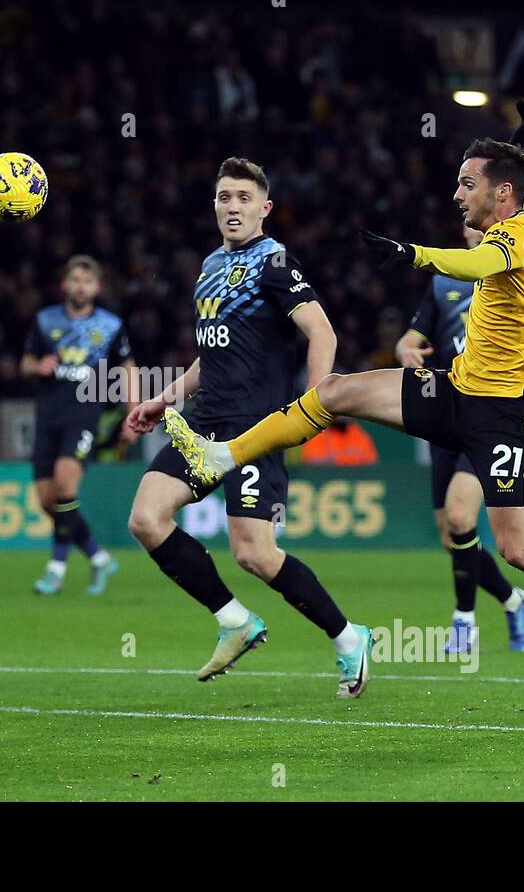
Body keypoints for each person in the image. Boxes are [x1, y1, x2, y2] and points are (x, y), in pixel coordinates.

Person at [164, 136, 524, 671]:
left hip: (505, 415)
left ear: (502, 193)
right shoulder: (518, 207)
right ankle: (225, 455)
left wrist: (412, 253)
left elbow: (477, 263)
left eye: (468, 184)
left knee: (520, 551)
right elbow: (514, 192)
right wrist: (519, 146)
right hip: (455, 389)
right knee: (333, 391)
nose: (457, 194)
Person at [126, 157, 373, 700]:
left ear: (264, 208)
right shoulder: (210, 265)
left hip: (254, 429)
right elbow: (210, 356)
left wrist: (313, 407)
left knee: (255, 554)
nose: (232, 206)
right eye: (223, 197)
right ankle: (235, 620)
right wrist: (163, 399)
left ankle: (348, 636)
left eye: (242, 198)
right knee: (146, 518)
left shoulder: (275, 262)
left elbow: (322, 333)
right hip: (203, 423)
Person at [396, 224, 524, 653]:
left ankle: (464, 622)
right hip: (445, 410)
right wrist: (408, 352)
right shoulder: (443, 282)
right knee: (451, 532)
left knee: (459, 514)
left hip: (491, 414)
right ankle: (513, 600)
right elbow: (409, 341)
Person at [21, 255, 138, 595]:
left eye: (88, 281)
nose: (81, 286)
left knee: (65, 487)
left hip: (85, 413)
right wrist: (36, 366)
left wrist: (133, 412)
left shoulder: (111, 325)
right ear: (65, 285)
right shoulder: (45, 321)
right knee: (48, 500)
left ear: (97, 288)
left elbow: (128, 368)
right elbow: (24, 363)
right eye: (75, 280)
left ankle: (55, 570)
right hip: (48, 414)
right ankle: (99, 558)